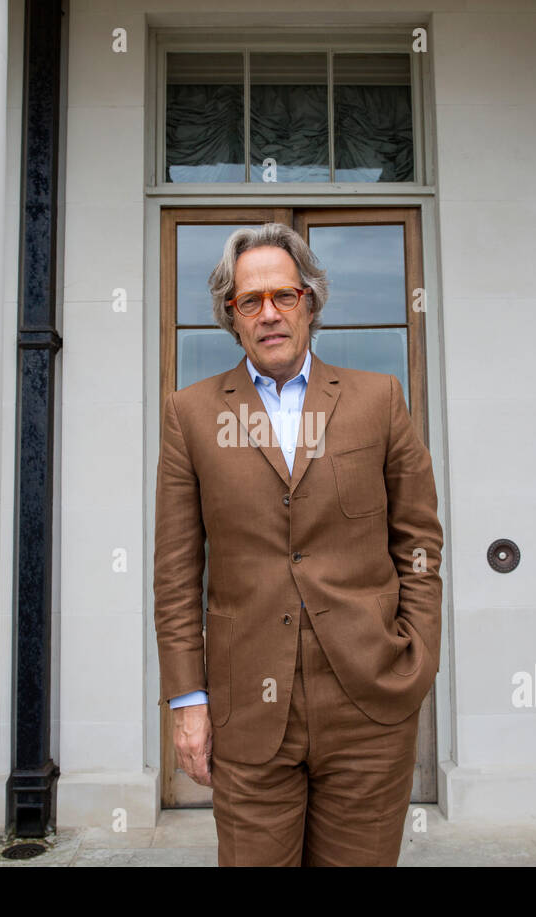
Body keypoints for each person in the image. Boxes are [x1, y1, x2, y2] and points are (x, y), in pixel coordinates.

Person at [153, 222, 443, 866]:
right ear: (230, 317)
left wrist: (418, 658)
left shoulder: (378, 400)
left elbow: (419, 541)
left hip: (369, 702)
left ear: (310, 301)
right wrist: (187, 703)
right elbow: (175, 575)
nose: (269, 314)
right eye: (248, 301)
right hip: (247, 710)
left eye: (284, 296)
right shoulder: (190, 414)